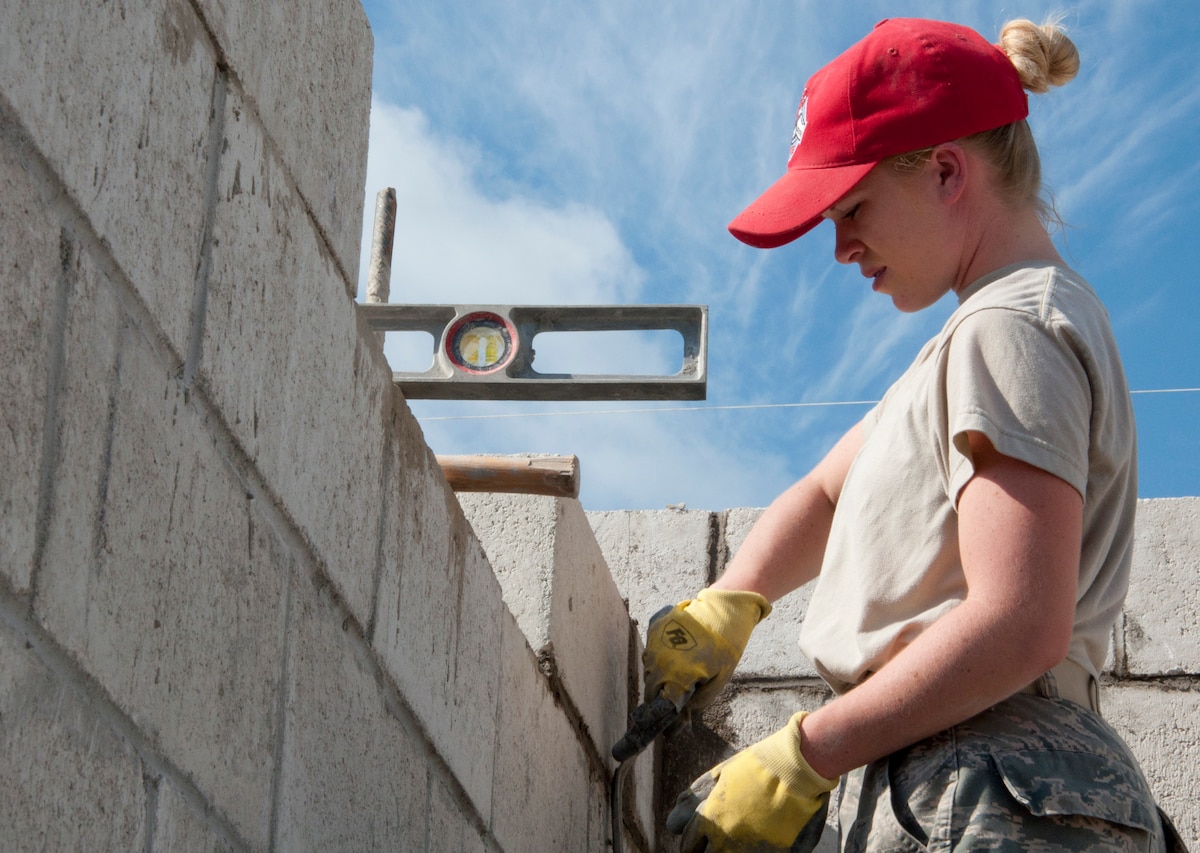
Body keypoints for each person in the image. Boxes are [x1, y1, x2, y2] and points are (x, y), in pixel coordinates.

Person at [638, 16, 1176, 852]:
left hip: (991, 771)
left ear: (946, 171)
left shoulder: (1011, 330)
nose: (841, 247)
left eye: (853, 207)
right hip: (967, 770)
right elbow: (826, 490)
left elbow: (1021, 621)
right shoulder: (964, 349)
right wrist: (729, 602)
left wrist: (804, 755)